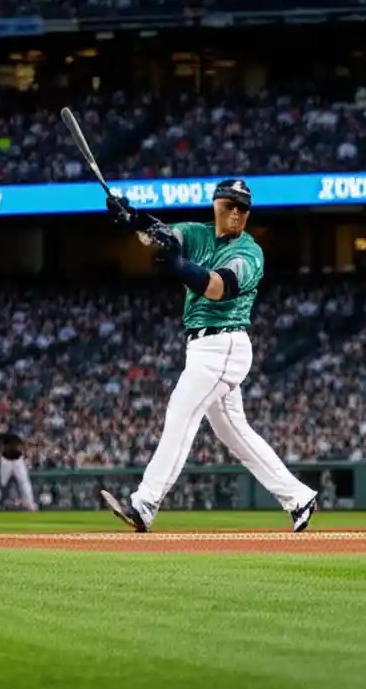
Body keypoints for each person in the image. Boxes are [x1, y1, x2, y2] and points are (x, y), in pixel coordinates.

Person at [98, 179, 318, 533]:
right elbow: (164, 235)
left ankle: (145, 503)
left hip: (225, 344)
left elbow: (219, 287)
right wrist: (133, 217)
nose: (237, 212)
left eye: (243, 207)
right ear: (216, 205)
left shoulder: (249, 251)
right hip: (201, 347)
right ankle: (299, 497)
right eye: (230, 204)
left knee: (181, 412)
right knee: (235, 433)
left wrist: (180, 268)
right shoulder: (198, 234)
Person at [0, 432, 38, 512]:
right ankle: (30, 505)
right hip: (11, 460)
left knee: (21, 482)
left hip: (12, 460)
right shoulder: (7, 438)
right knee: (22, 482)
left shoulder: (6, 438)